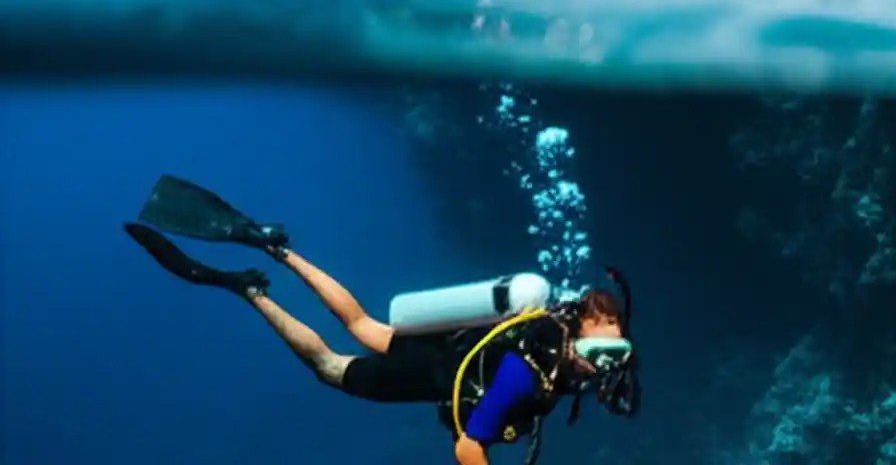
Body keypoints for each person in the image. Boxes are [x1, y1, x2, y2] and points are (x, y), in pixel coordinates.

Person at [122, 175, 640, 465]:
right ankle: (251, 290)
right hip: (435, 373)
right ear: (577, 334)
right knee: (329, 365)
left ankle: (279, 250)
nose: (606, 364)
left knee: (366, 326)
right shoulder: (526, 371)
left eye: (615, 352)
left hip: (449, 345)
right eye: (602, 350)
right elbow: (469, 444)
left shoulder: (556, 341)